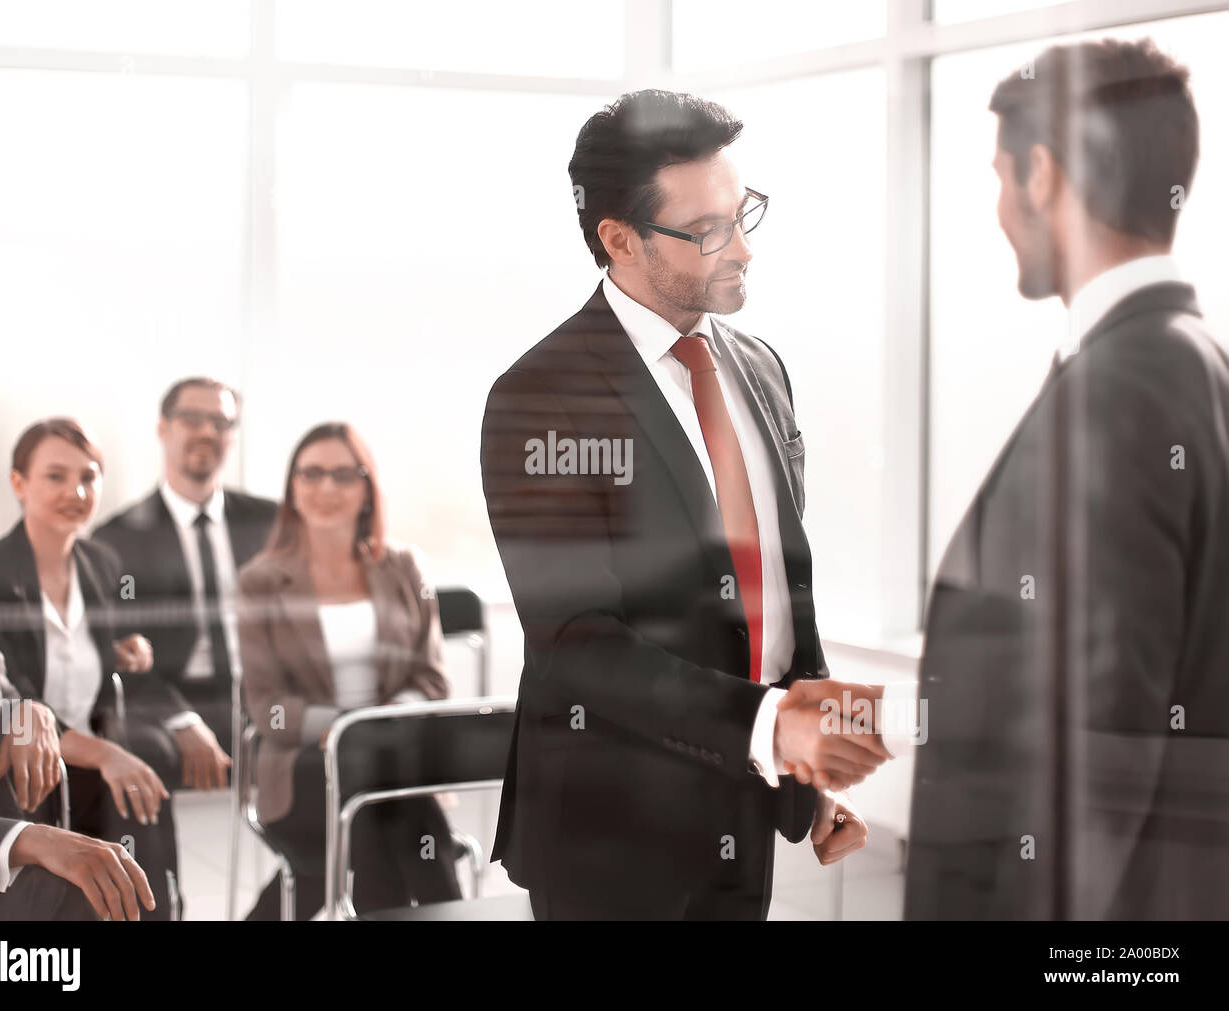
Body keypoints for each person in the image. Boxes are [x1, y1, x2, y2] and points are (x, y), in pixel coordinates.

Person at [480, 89, 892, 921]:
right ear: (619, 240)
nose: (741, 248)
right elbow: (578, 645)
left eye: (743, 216)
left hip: (743, 801)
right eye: (706, 231)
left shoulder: (759, 367)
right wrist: (772, 724)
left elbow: (778, 582)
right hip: (610, 826)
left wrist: (811, 756)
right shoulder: (540, 397)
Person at [905, 38, 1229, 919]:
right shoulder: (1193, 360)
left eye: (1002, 178)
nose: (1002, 209)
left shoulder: (1121, 388)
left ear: (1042, 174)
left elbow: (1101, 757)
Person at [0, 383, 154, 920]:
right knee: (88, 898)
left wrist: (27, 712)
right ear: (20, 484)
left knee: (121, 873)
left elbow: (2, 703)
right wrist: (25, 841)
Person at [239, 422, 461, 919]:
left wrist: (383, 724)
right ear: (292, 488)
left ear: (366, 488)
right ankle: (449, 908)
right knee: (373, 788)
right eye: (311, 474)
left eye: (343, 475)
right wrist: (346, 729)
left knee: (373, 799)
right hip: (302, 768)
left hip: (395, 758)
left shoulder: (405, 567)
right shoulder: (261, 582)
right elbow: (266, 706)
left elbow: (432, 680)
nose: (326, 488)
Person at [94, 377, 277, 784]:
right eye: (192, 419)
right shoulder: (117, 538)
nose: (208, 432)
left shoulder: (270, 523)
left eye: (221, 422)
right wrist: (178, 717)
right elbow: (118, 647)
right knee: (143, 750)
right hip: (169, 696)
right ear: (163, 428)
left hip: (263, 694)